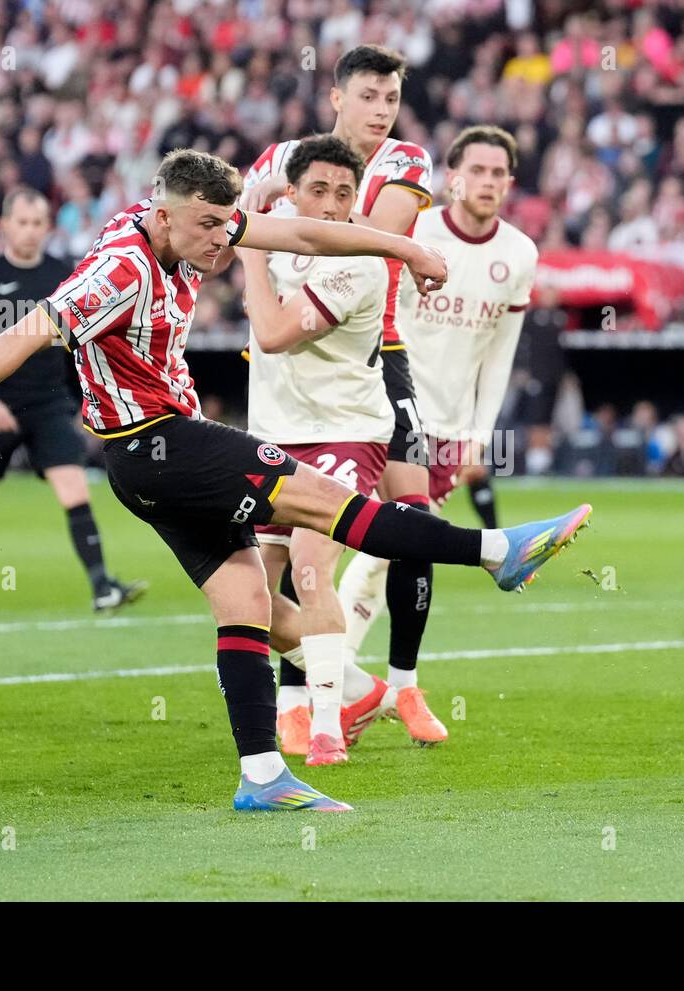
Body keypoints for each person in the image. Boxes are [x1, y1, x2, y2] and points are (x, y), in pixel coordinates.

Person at [0, 148, 592, 814]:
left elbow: (300, 230)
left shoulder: (199, 221)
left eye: (226, 224)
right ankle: (499, 552)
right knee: (327, 503)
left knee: (249, 601)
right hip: (158, 443)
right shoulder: (119, 269)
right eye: (206, 226)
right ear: (164, 215)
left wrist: (401, 247)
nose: (221, 241)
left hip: (144, 462)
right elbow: (29, 329)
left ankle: (263, 774)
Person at [240, 44, 444, 745]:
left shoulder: (406, 162)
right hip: (288, 368)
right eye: (368, 97)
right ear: (336, 98)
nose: (382, 112)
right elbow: (239, 219)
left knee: (411, 514)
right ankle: (310, 699)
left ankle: (405, 685)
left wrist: (278, 227)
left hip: (373, 352)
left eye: (390, 99)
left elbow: (369, 242)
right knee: (294, 544)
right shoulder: (281, 156)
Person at [340, 126, 539, 746]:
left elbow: (500, 354)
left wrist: (478, 435)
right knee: (361, 541)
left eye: (498, 172)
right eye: (476, 170)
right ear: (452, 177)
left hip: (449, 431)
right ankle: (349, 686)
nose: (487, 182)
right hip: (381, 409)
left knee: (389, 555)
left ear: (509, 181)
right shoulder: (415, 230)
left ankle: (348, 688)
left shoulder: (520, 254)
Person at [239, 134, 398, 765]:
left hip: (345, 431)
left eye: (343, 193)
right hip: (273, 434)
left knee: (310, 567)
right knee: (249, 594)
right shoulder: (279, 228)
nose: (330, 206)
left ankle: (325, 725)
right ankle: (356, 688)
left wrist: (251, 238)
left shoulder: (355, 259)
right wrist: (251, 215)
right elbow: (208, 259)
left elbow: (274, 334)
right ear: (293, 190)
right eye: (317, 191)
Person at [0, 187, 145, 614]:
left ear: (48, 226)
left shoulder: (64, 275)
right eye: (21, 222)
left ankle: (103, 587)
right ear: (5, 225)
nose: (29, 231)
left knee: (74, 488)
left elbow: (83, 341)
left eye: (37, 223)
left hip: (48, 404)